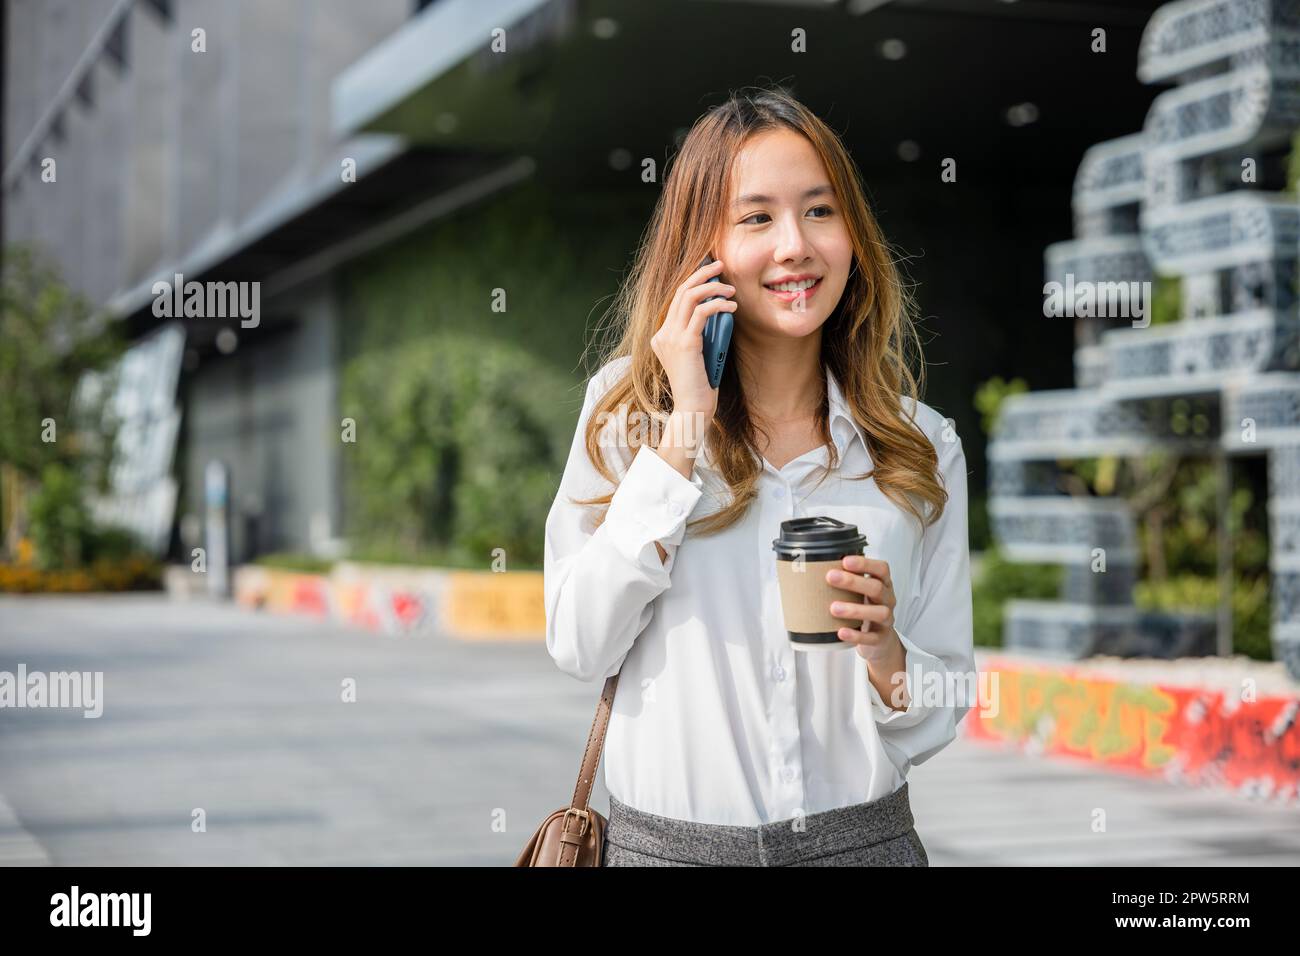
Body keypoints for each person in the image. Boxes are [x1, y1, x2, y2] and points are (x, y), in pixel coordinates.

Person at [543, 85, 976, 866]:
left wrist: (887, 655)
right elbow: (579, 642)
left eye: (819, 210)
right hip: (668, 852)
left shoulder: (920, 447)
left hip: (864, 848)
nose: (794, 246)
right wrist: (683, 427)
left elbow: (946, 699)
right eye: (756, 217)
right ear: (700, 247)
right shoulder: (624, 416)